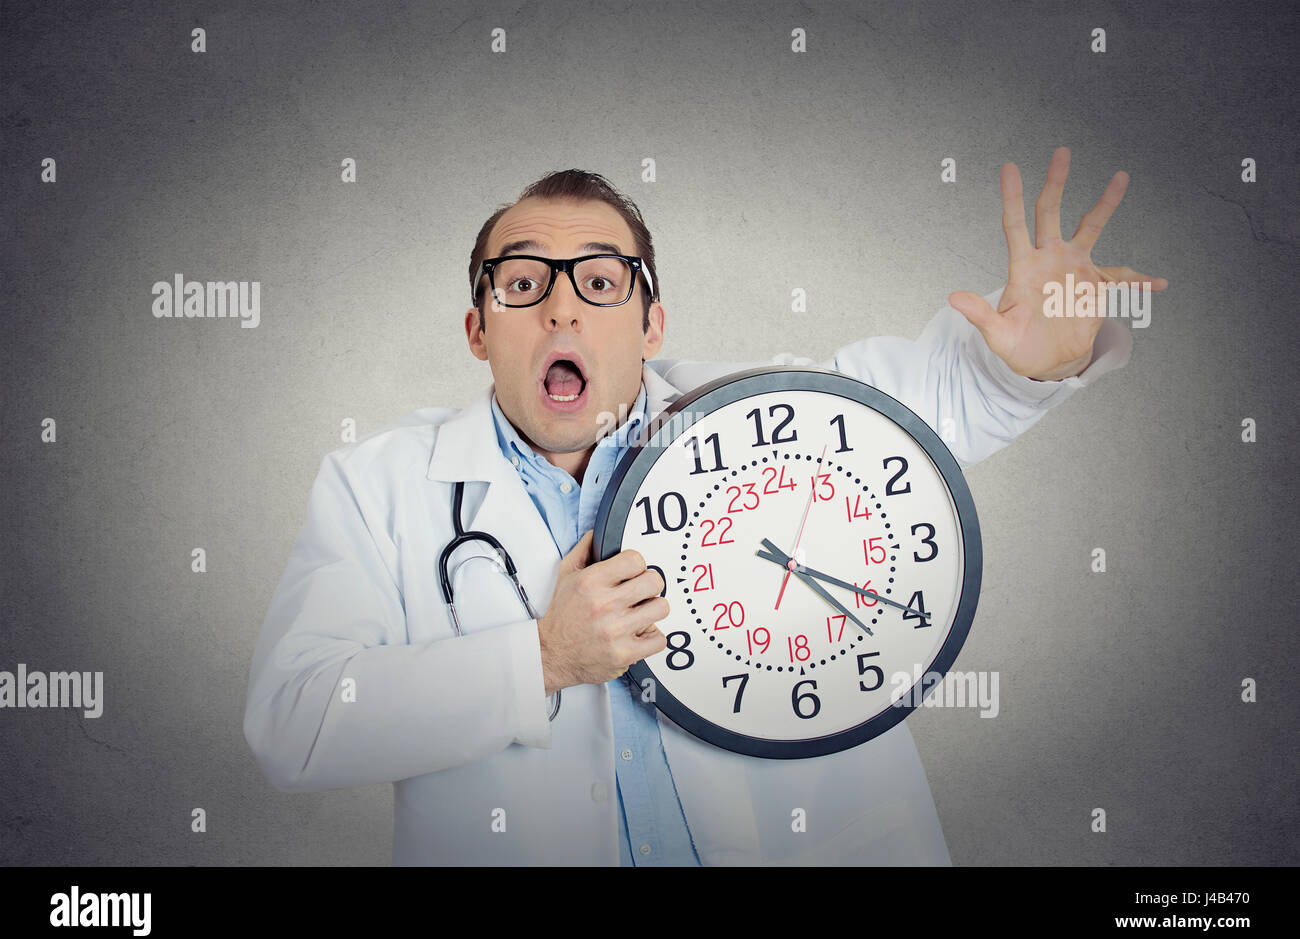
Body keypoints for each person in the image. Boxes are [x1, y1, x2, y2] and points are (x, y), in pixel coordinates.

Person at [243, 150, 1166, 865]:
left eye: (601, 282)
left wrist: (1023, 361)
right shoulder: (378, 486)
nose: (562, 309)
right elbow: (296, 721)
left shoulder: (776, 414)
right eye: (522, 283)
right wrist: (542, 660)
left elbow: (938, 399)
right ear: (480, 329)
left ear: (652, 324)